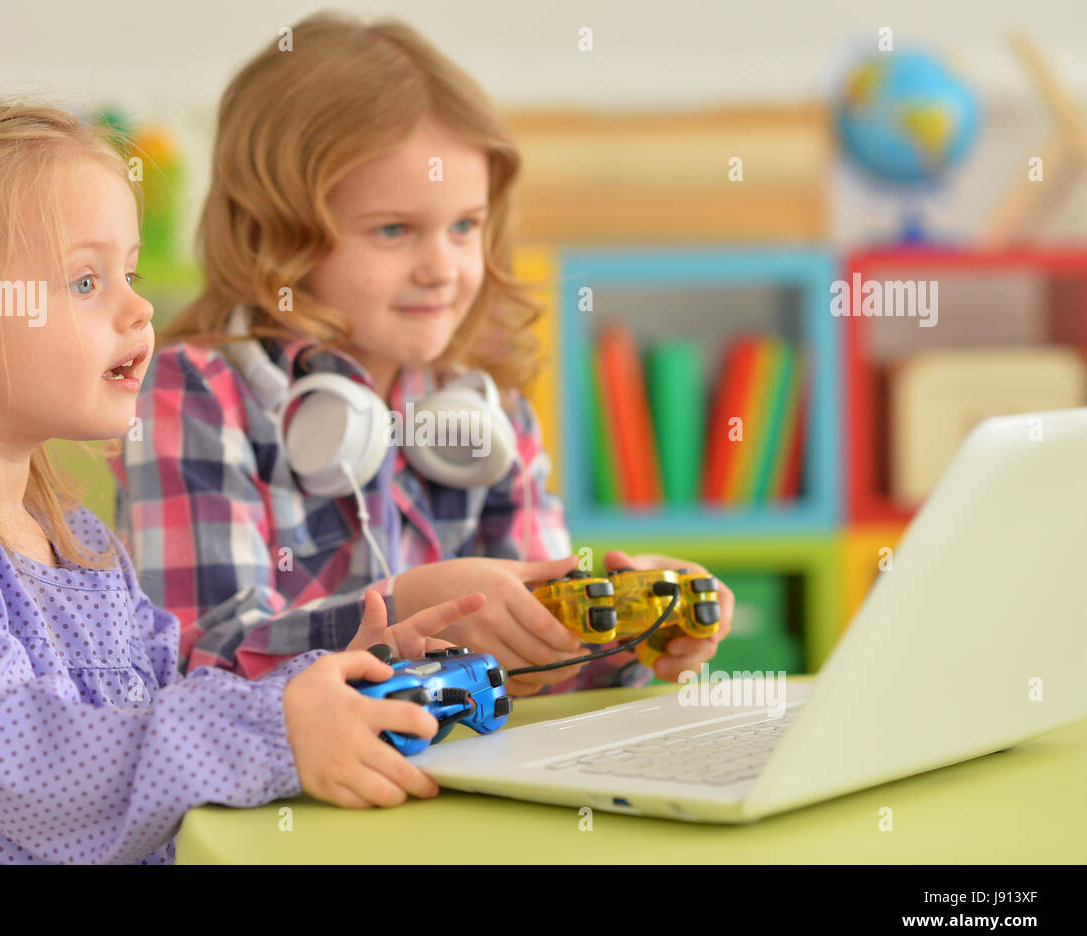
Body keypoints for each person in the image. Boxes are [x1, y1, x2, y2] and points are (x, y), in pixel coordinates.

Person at [0, 98, 485, 865]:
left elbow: (161, 711)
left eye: (128, 272)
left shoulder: (78, 543)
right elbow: (43, 770)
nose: (140, 307)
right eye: (85, 282)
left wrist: (333, 680)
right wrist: (277, 729)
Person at [115, 11, 735, 697]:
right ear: (273, 236)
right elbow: (197, 662)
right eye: (394, 230)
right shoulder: (191, 394)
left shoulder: (488, 411)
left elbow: (540, 667)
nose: (443, 268)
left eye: (465, 225)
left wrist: (628, 626)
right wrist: (402, 608)